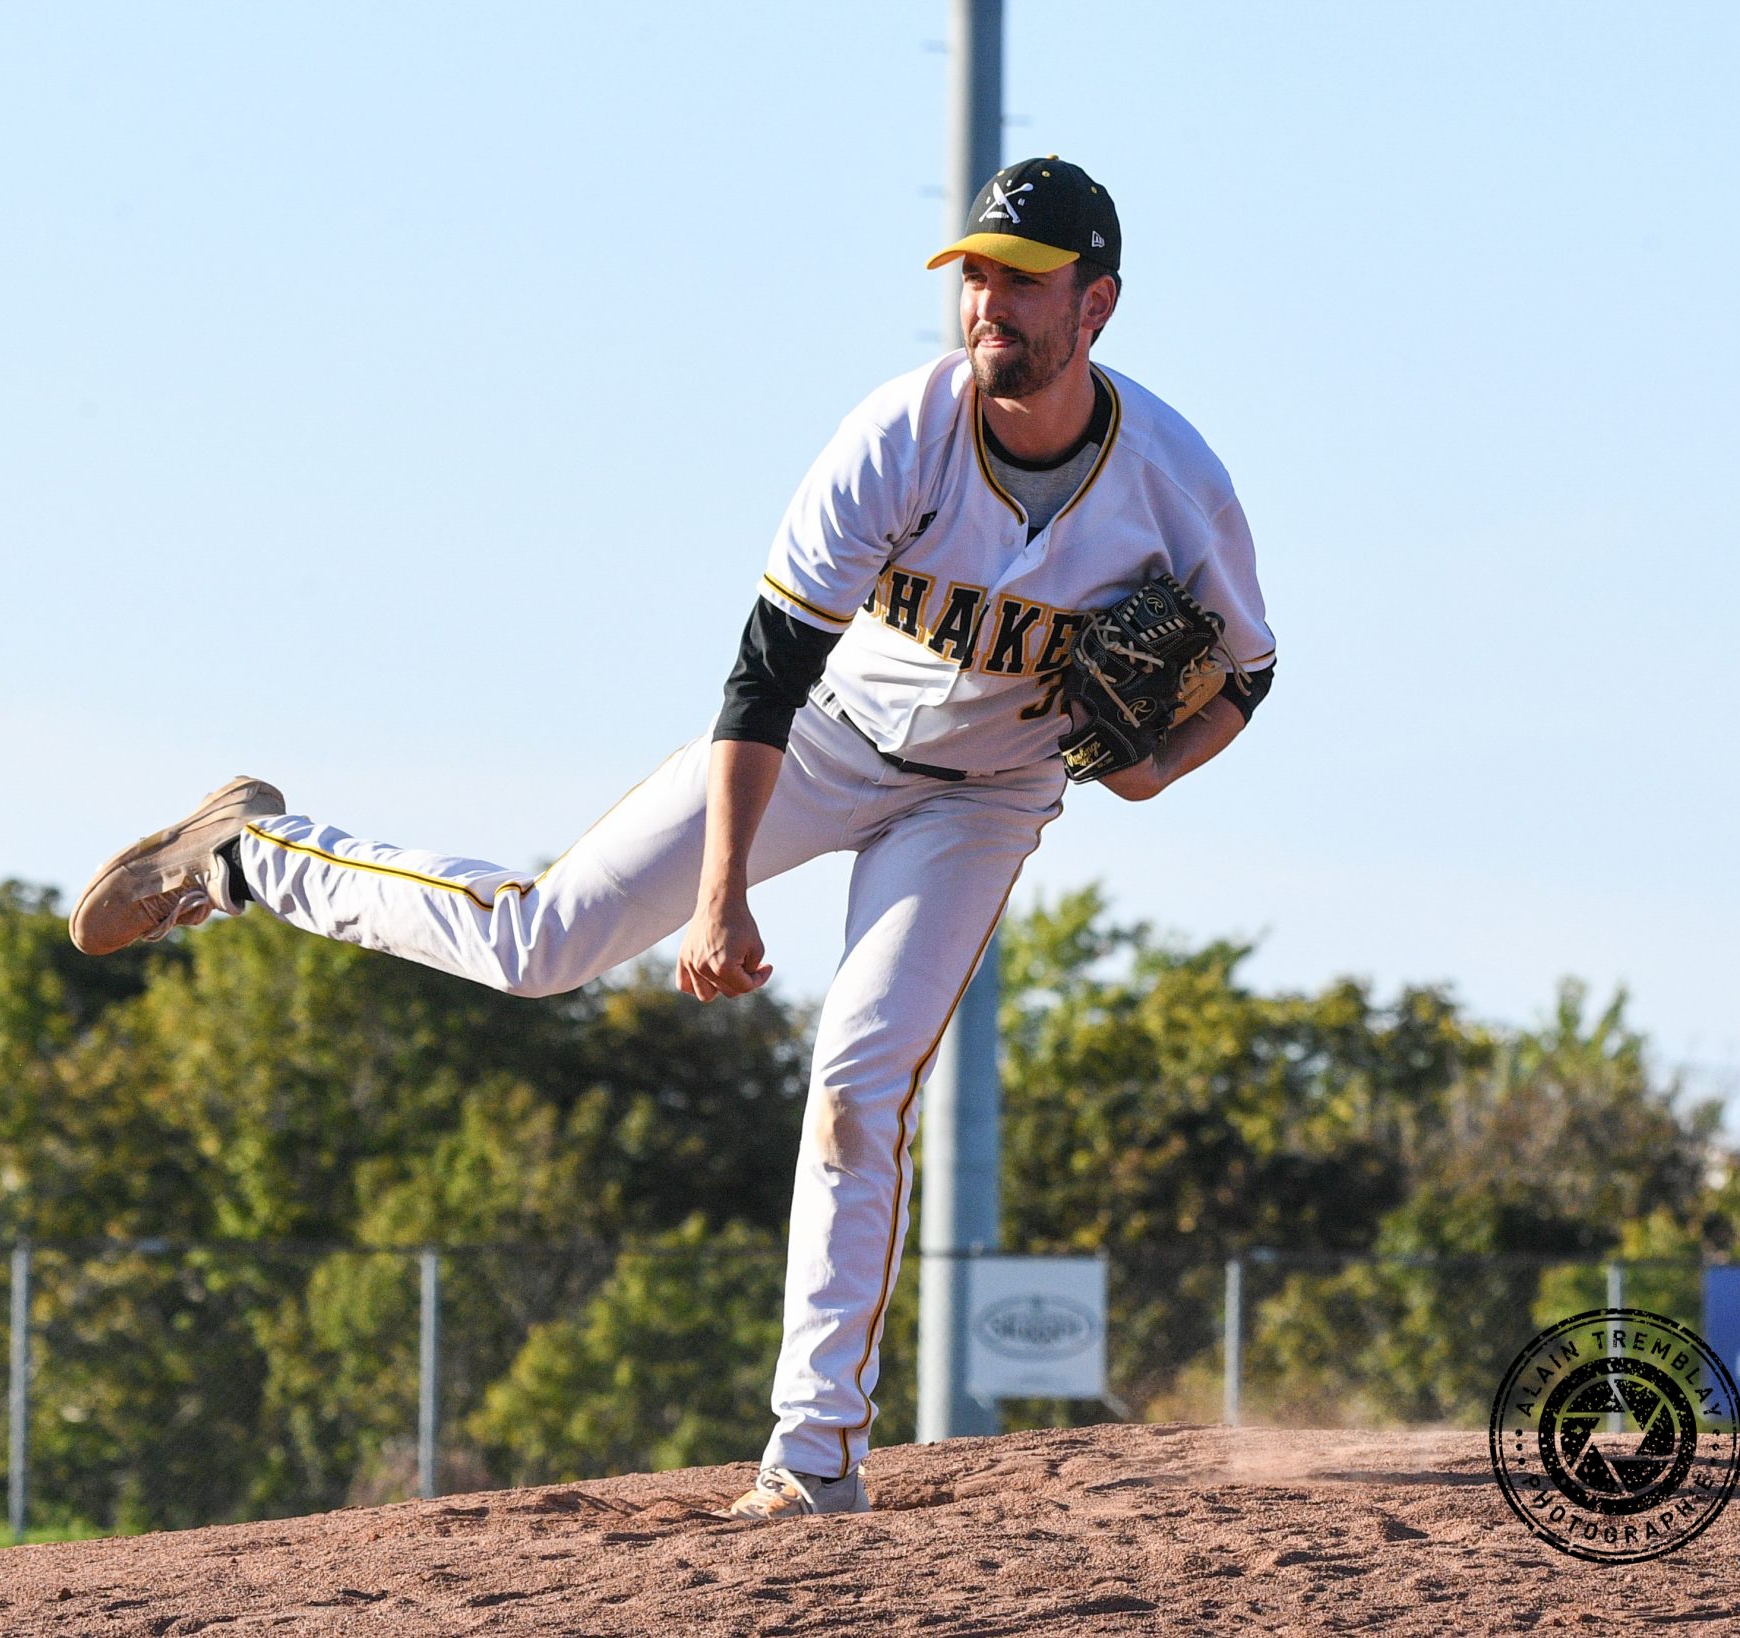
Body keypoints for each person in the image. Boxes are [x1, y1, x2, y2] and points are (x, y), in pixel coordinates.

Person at [70, 157, 1276, 1521]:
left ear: (1096, 303)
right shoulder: (896, 436)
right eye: (977, 273)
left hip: (980, 798)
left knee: (859, 1082)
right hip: (817, 736)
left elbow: (1247, 675)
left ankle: (814, 1456)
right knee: (537, 942)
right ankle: (247, 855)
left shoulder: (1176, 482)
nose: (989, 300)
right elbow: (762, 679)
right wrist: (719, 899)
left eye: (1024, 276)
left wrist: (1154, 771)